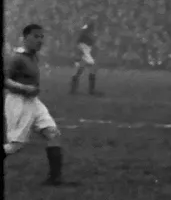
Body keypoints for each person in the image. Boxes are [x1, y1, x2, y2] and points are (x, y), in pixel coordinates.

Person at [5, 24, 68, 185]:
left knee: (53, 133)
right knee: (15, 146)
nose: (40, 40)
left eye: (41, 37)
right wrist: (24, 87)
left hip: (33, 101)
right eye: (36, 36)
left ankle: (55, 179)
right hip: (18, 101)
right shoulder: (17, 58)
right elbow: (5, 80)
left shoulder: (33, 56)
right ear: (25, 38)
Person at [70, 22, 101, 97]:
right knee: (90, 69)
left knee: (79, 71)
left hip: (83, 54)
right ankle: (91, 90)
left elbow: (78, 42)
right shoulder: (88, 35)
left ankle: (73, 89)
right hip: (84, 53)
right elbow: (89, 44)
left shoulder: (84, 33)